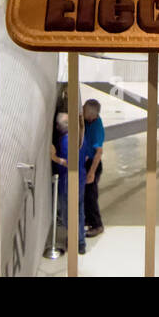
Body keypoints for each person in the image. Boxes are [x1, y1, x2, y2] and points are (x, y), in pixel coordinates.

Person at [49, 112, 89, 254]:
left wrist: (54, 158)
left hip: (68, 182)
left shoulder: (66, 142)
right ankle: (81, 242)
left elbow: (69, 163)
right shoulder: (80, 138)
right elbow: (86, 157)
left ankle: (74, 241)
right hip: (81, 180)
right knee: (79, 210)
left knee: (68, 214)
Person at [82, 99, 105, 235]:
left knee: (91, 196)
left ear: (90, 115)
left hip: (93, 164)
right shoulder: (89, 121)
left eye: (84, 110)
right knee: (85, 195)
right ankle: (88, 219)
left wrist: (91, 173)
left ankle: (97, 225)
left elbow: (99, 152)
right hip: (87, 161)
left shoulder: (96, 128)